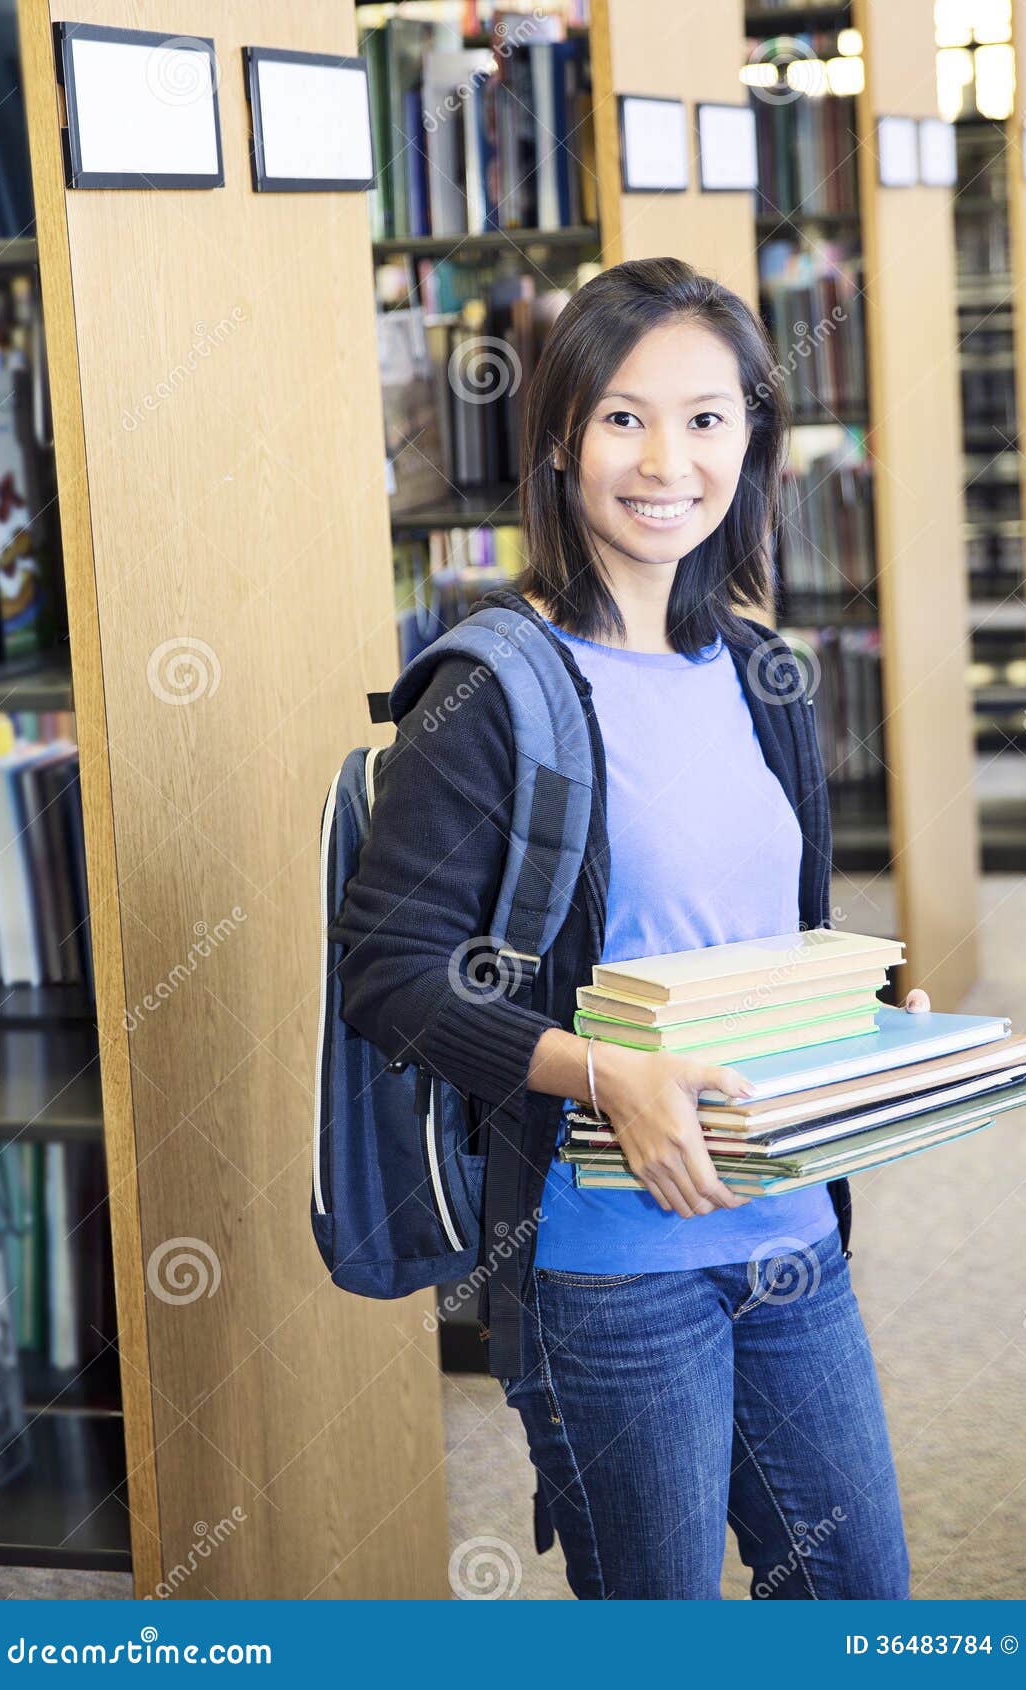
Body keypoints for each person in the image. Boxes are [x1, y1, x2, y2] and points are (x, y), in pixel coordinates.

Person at [333, 257, 922, 1599]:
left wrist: (870, 1032)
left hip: (790, 1234)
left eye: (708, 418)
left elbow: (780, 931)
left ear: (752, 439)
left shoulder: (767, 674)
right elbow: (390, 976)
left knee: (858, 1600)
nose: (669, 458)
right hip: (606, 1265)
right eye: (622, 417)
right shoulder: (489, 691)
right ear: (557, 439)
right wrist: (604, 1071)